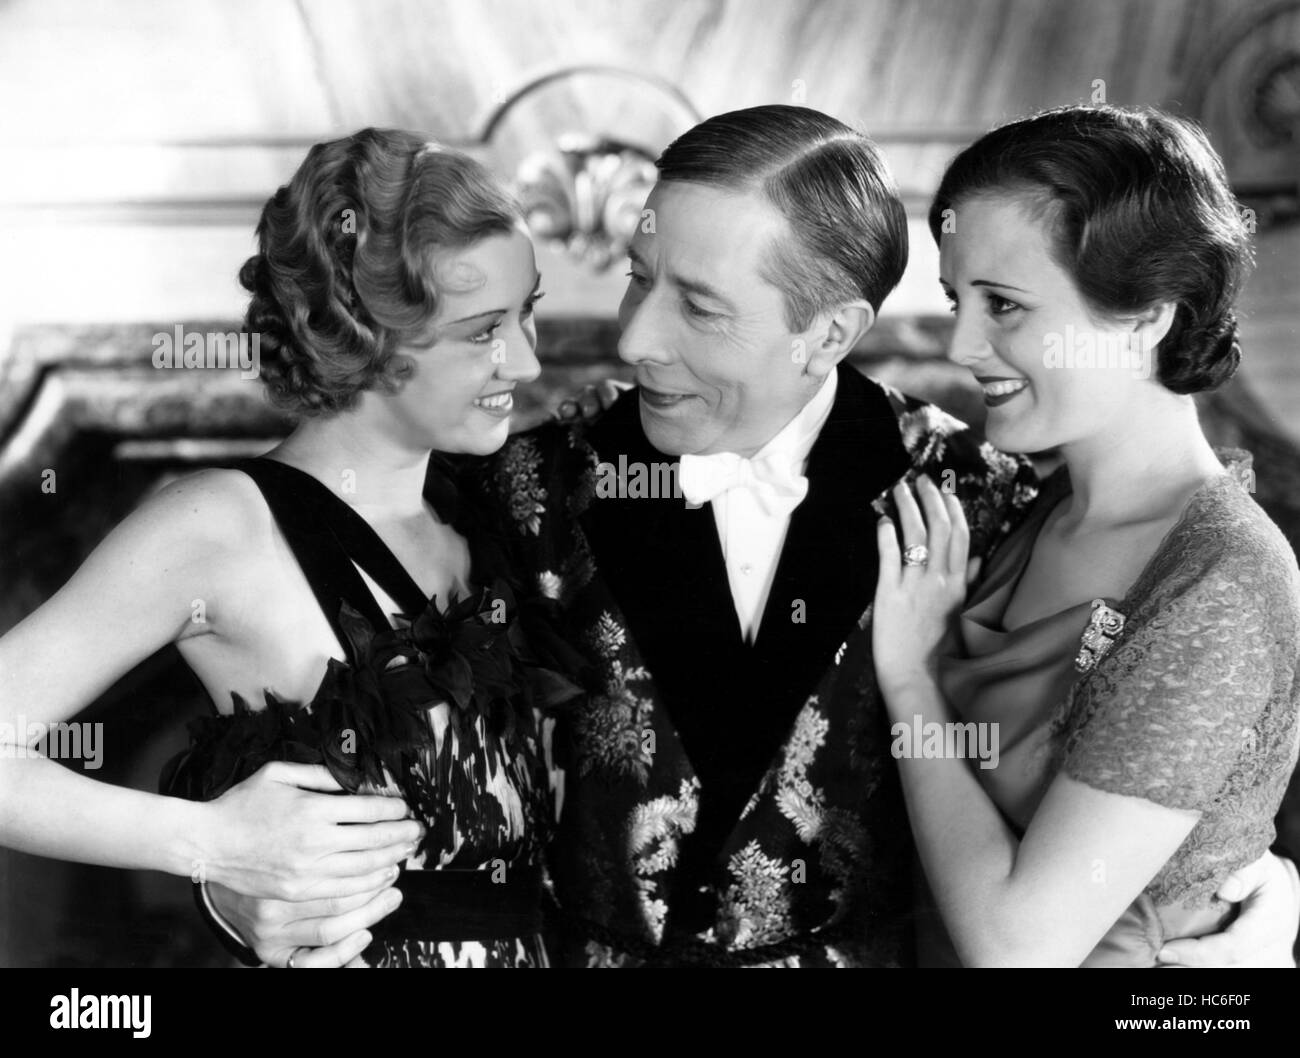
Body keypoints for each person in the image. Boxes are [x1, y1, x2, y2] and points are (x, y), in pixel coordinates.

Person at [204, 106, 1300, 967]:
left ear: (828, 330)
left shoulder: (983, 499)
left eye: (698, 303)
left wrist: (1248, 899)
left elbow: (1131, 770)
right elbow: (334, 725)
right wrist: (226, 880)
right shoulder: (508, 483)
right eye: (638, 276)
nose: (632, 337)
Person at [0, 127, 583, 968]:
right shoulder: (221, 525)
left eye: (527, 313)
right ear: (366, 334)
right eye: (483, 329)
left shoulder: (488, 506)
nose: (525, 361)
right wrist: (208, 846)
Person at [872, 104, 1300, 966]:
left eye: (1005, 305)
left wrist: (914, 681)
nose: (961, 343)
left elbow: (1017, 950)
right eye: (958, 299)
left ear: (1148, 316)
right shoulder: (1028, 501)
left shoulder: (1222, 581)